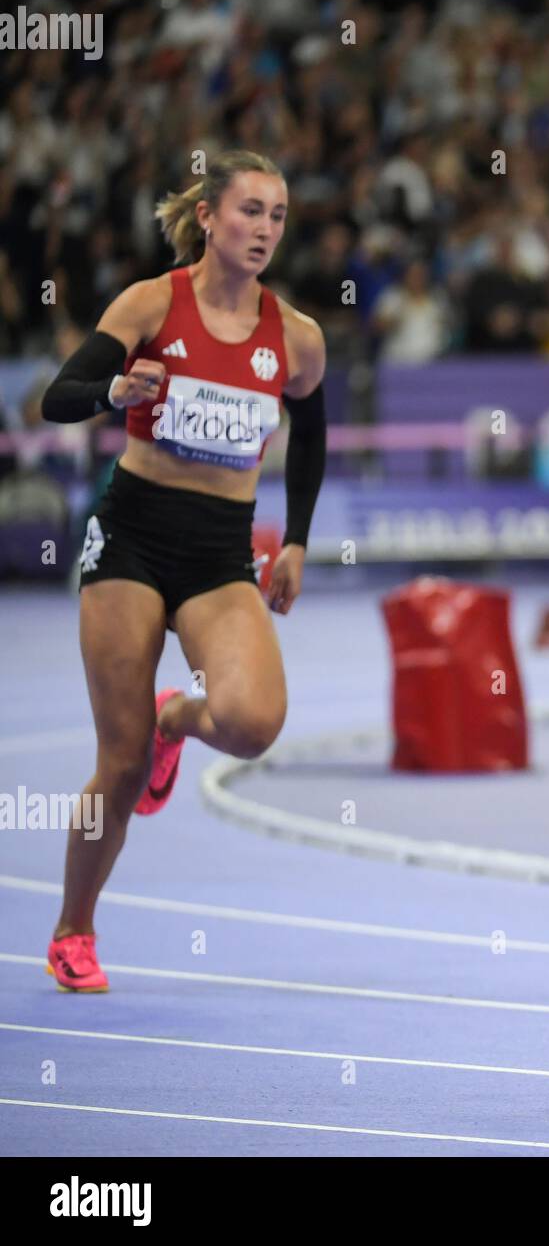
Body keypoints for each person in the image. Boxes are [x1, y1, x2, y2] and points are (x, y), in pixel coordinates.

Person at [38, 150, 327, 993]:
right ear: (207, 216)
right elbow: (61, 394)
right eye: (248, 212)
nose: (264, 230)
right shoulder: (152, 301)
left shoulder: (295, 337)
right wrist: (114, 393)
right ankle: (74, 929)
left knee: (252, 722)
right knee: (119, 764)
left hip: (219, 552)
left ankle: (179, 721)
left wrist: (299, 540)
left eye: (277, 215)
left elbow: (310, 434)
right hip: (130, 540)